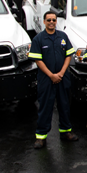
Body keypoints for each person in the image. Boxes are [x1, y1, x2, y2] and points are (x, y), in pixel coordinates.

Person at [30, 11, 78, 149]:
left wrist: (61, 73)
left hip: (62, 77)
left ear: (56, 21)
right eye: (49, 20)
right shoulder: (38, 39)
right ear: (44, 22)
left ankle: (66, 131)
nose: (51, 22)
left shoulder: (63, 36)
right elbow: (38, 61)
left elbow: (68, 55)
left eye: (54, 20)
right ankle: (41, 136)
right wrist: (51, 75)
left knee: (64, 105)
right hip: (46, 79)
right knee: (45, 107)